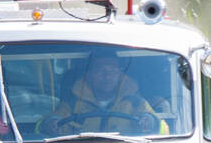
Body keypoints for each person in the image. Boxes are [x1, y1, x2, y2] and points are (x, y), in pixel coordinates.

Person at [37, 50, 168, 136]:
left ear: (120, 74)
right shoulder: (72, 104)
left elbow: (163, 128)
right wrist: (50, 123)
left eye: (113, 71)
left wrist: (150, 121)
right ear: (89, 75)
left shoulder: (136, 102)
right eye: (100, 70)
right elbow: (46, 124)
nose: (107, 76)